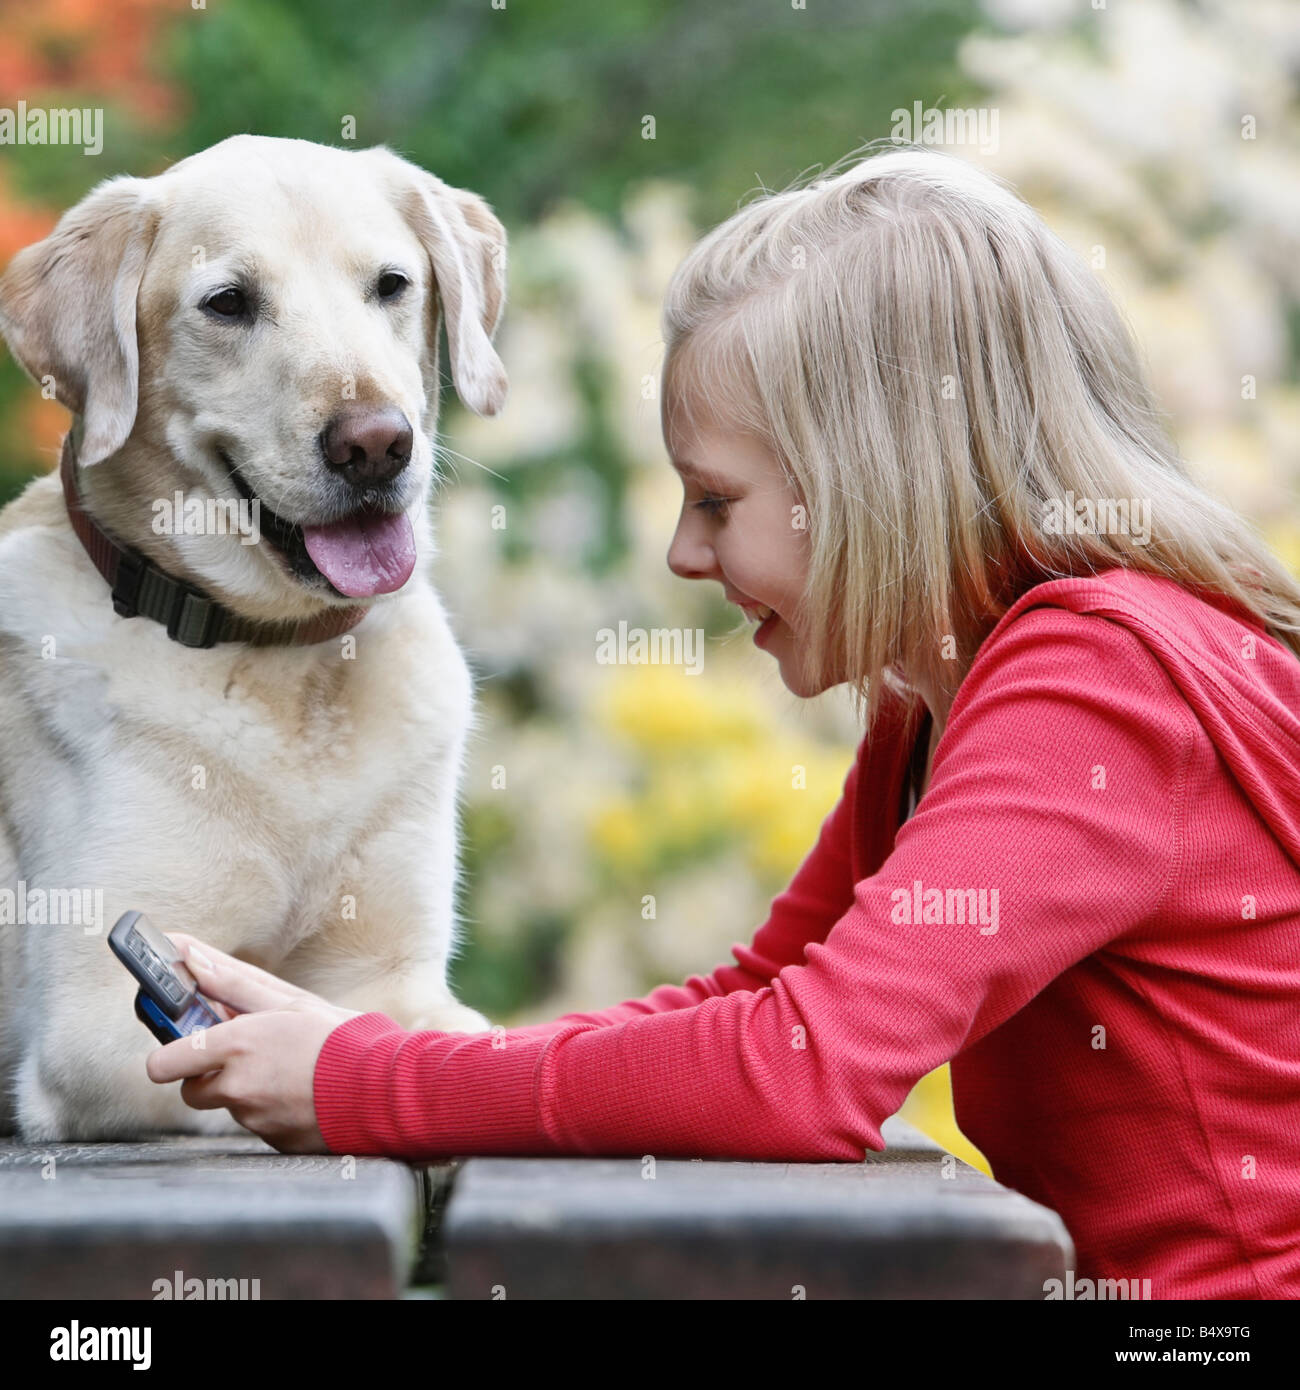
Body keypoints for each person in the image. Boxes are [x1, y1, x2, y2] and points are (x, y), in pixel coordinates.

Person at [148, 145, 1300, 1299]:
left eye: (716, 501)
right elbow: (754, 1002)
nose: (683, 554)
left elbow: (798, 1073)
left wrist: (360, 1082)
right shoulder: (940, 705)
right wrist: (375, 1050)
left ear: (875, 476)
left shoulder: (1096, 680)